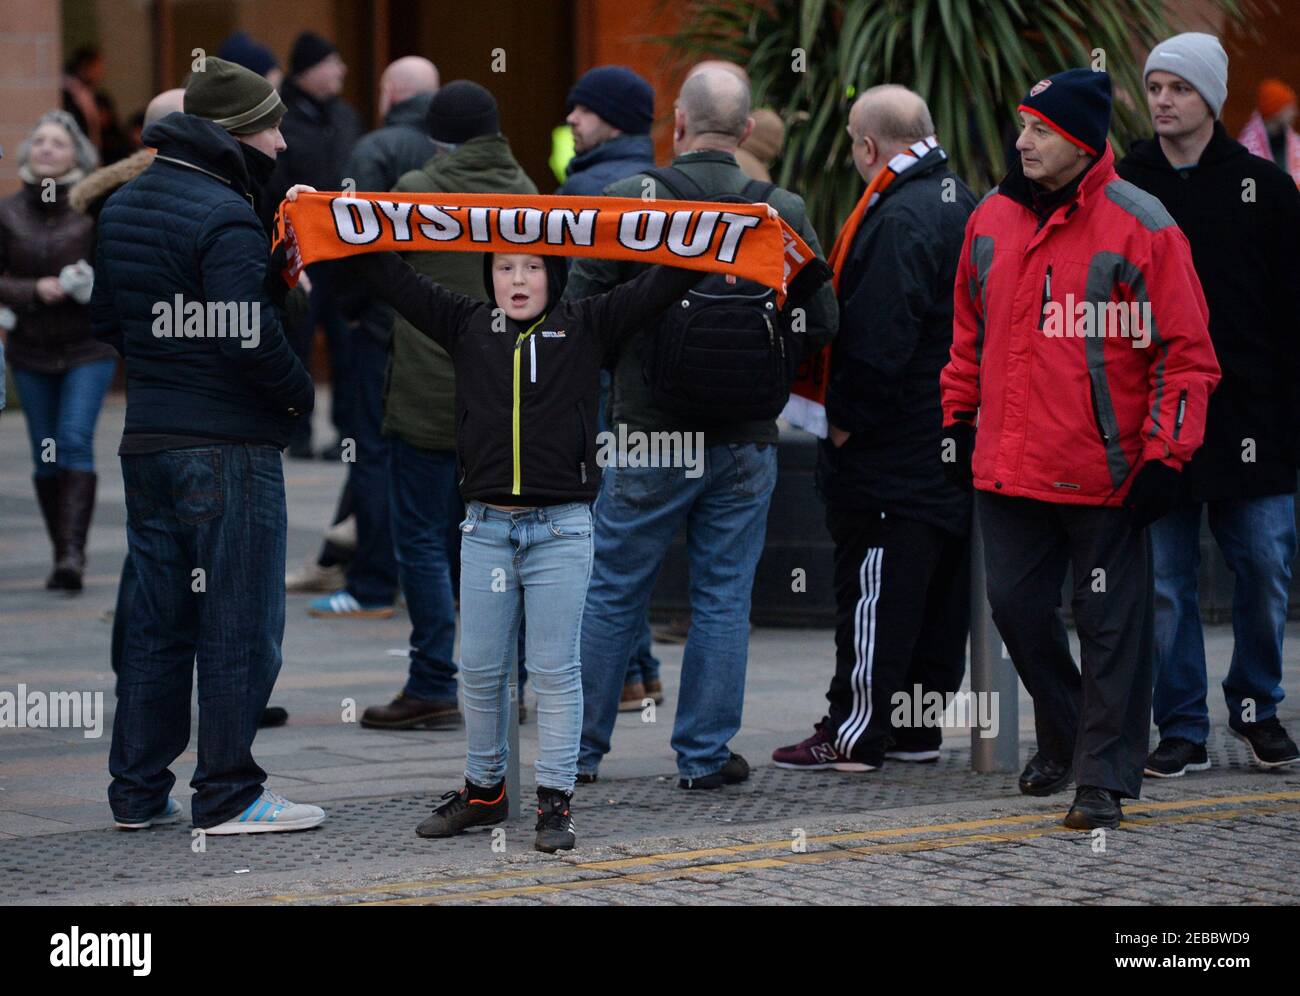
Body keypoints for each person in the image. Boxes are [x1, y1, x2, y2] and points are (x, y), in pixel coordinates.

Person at [316, 198, 716, 852]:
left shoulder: (588, 324)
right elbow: (390, 275)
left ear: (553, 274)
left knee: (555, 671)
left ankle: (555, 801)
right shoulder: (466, 322)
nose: (520, 279)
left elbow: (666, 277)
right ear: (490, 275)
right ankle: (485, 791)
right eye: (505, 267)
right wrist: (331, 215)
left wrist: (713, 226)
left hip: (560, 531)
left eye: (533, 266)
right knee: (478, 668)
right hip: (487, 532)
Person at [940, 67, 1221, 830]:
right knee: (1018, 612)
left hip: (1108, 472)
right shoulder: (992, 217)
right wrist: (959, 413)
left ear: (1081, 142)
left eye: (1041, 130)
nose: (1022, 141)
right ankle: (1067, 734)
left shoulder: (1143, 222)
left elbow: (1187, 353)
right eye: (1023, 126)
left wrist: (1167, 456)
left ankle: (1103, 779)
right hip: (1007, 464)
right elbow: (969, 330)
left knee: (1109, 628)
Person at [568, 67, 839, 789]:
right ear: (747, 131)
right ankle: (704, 757)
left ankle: (579, 755)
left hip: (649, 430)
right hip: (746, 437)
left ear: (677, 125)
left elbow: (579, 310)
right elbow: (823, 319)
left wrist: (626, 364)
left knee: (614, 586)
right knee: (723, 596)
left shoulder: (630, 201)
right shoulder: (780, 209)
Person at [93, 57, 321, 833]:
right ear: (234, 132)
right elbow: (245, 334)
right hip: (227, 445)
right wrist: (298, 393)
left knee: (158, 623)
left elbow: (107, 323)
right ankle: (229, 793)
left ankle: (136, 791)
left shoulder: (122, 205)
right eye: (272, 125)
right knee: (239, 621)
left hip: (149, 442)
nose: (283, 143)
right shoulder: (223, 213)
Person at [772, 86, 976, 772]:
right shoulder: (958, 200)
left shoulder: (899, 216)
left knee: (877, 591)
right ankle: (915, 728)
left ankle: (855, 731)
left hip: (893, 448)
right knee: (935, 596)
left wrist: (842, 426)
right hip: (944, 437)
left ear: (866, 146)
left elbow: (878, 337)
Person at [1119, 33, 1300, 775]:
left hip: (1251, 418)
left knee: (1264, 566)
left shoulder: (1265, 187)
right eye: (1155, 87)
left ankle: (1256, 705)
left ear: (1212, 97)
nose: (1163, 100)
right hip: (1154, 416)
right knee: (1164, 584)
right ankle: (1183, 726)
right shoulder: (1123, 183)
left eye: (1179, 88)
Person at [357, 80, 537, 728]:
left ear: (437, 138)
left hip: (428, 401)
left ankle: (433, 679)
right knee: (502, 544)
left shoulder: (416, 194)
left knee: (424, 543)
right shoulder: (530, 198)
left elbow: (374, 270)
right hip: (504, 403)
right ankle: (507, 686)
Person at [303, 57, 441, 618]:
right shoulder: (456, 151)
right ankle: (431, 578)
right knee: (438, 453)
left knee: (374, 453)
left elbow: (348, 241)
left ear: (389, 92)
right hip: (445, 329)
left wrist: (350, 312)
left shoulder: (375, 149)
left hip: (383, 329)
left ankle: (373, 584)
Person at [1, 110, 113, 592]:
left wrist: (91, 284)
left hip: (88, 347)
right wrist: (33, 289)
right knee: (45, 456)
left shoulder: (93, 208)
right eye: (40, 141)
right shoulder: (7, 213)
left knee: (72, 440)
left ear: (78, 157)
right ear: (28, 154)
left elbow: (117, 269)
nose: (47, 149)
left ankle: (73, 555)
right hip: (31, 351)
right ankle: (60, 546)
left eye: (59, 143)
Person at [264, 32, 362, 460]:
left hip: (341, 251)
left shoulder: (346, 117)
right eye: (331, 62)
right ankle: (296, 431)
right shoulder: (279, 117)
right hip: (299, 247)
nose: (340, 70)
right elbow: (273, 185)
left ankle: (345, 434)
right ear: (307, 71)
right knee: (297, 341)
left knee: (346, 346)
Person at [556, 66, 655, 196]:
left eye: (586, 110)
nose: (571, 118)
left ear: (618, 124)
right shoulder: (657, 182)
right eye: (574, 108)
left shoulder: (585, 187)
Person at [1238, 77, 1300, 185]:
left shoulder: (1294, 143)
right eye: (1289, 108)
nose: (1295, 113)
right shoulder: (1248, 148)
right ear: (1277, 111)